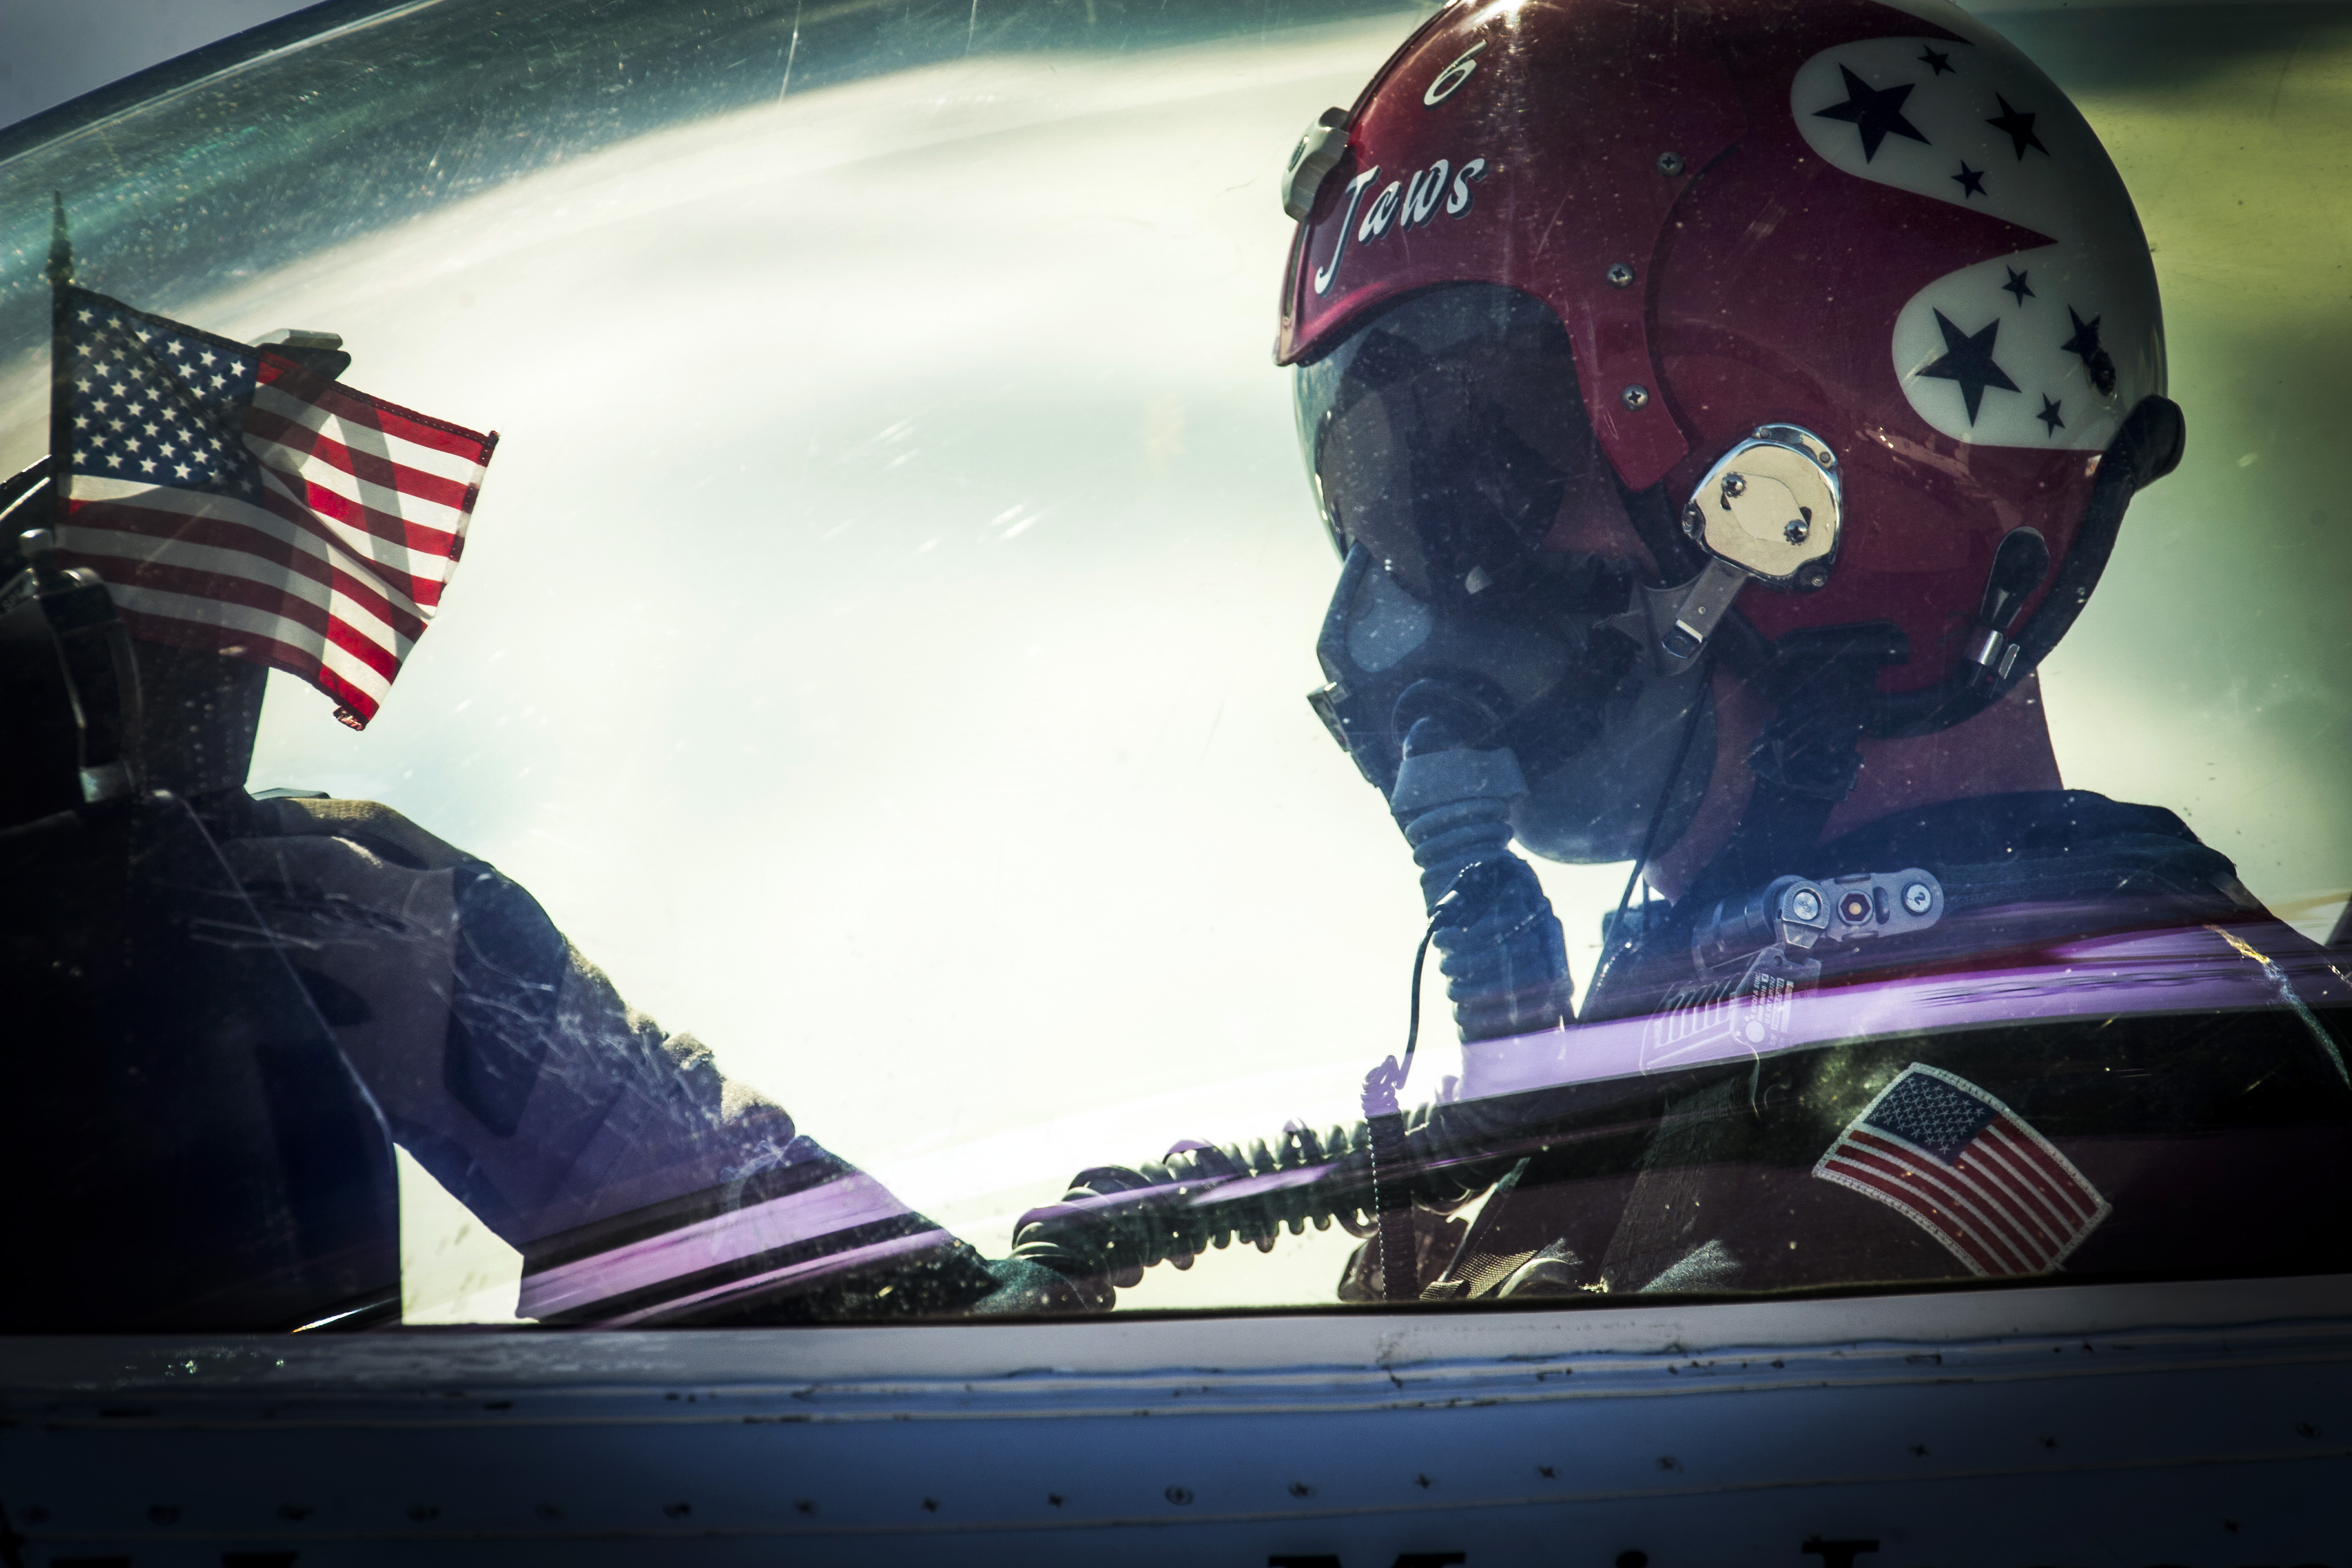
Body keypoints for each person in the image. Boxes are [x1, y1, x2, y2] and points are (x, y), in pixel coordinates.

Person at [1008, 0, 2352, 1306]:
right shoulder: (1715, 1065)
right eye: (1363, 504)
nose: (1383, 616)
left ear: (1802, 497)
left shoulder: (2096, 1081)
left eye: (1472, 475)